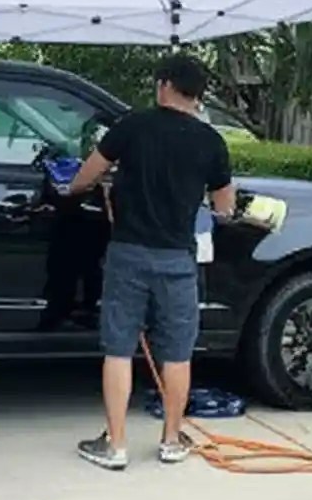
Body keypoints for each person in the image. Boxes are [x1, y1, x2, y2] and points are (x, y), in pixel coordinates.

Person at [64, 52, 236, 469]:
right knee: (177, 353)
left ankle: (116, 445)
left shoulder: (132, 128)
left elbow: (85, 176)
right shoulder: (211, 142)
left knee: (119, 349)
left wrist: (84, 188)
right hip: (177, 258)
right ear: (198, 95)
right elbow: (225, 206)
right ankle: (172, 441)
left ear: (163, 85)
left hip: (128, 254)